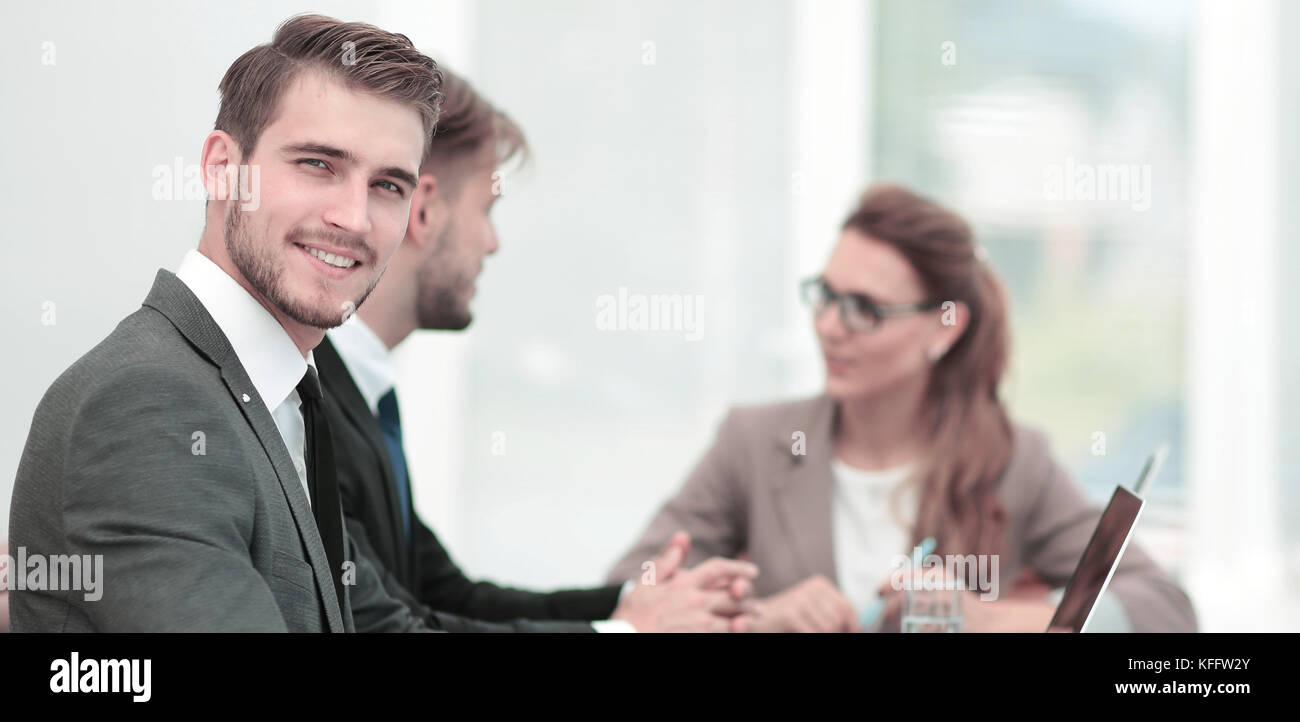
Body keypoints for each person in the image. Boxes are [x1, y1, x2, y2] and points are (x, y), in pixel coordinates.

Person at [10, 14, 458, 632]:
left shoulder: (277, 398)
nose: (353, 218)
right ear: (223, 166)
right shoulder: (150, 401)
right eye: (317, 164)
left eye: (386, 184)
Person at [607, 184, 1198, 633]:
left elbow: (1165, 609)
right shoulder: (755, 442)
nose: (829, 327)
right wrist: (757, 617)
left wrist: (984, 618)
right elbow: (627, 589)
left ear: (943, 330)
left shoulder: (1013, 462)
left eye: (865, 308)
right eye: (826, 297)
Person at [318, 69, 758, 632]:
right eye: (488, 210)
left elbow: (446, 596)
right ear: (425, 211)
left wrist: (637, 605)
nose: (493, 244)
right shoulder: (307, 403)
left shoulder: (358, 392)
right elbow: (384, 628)